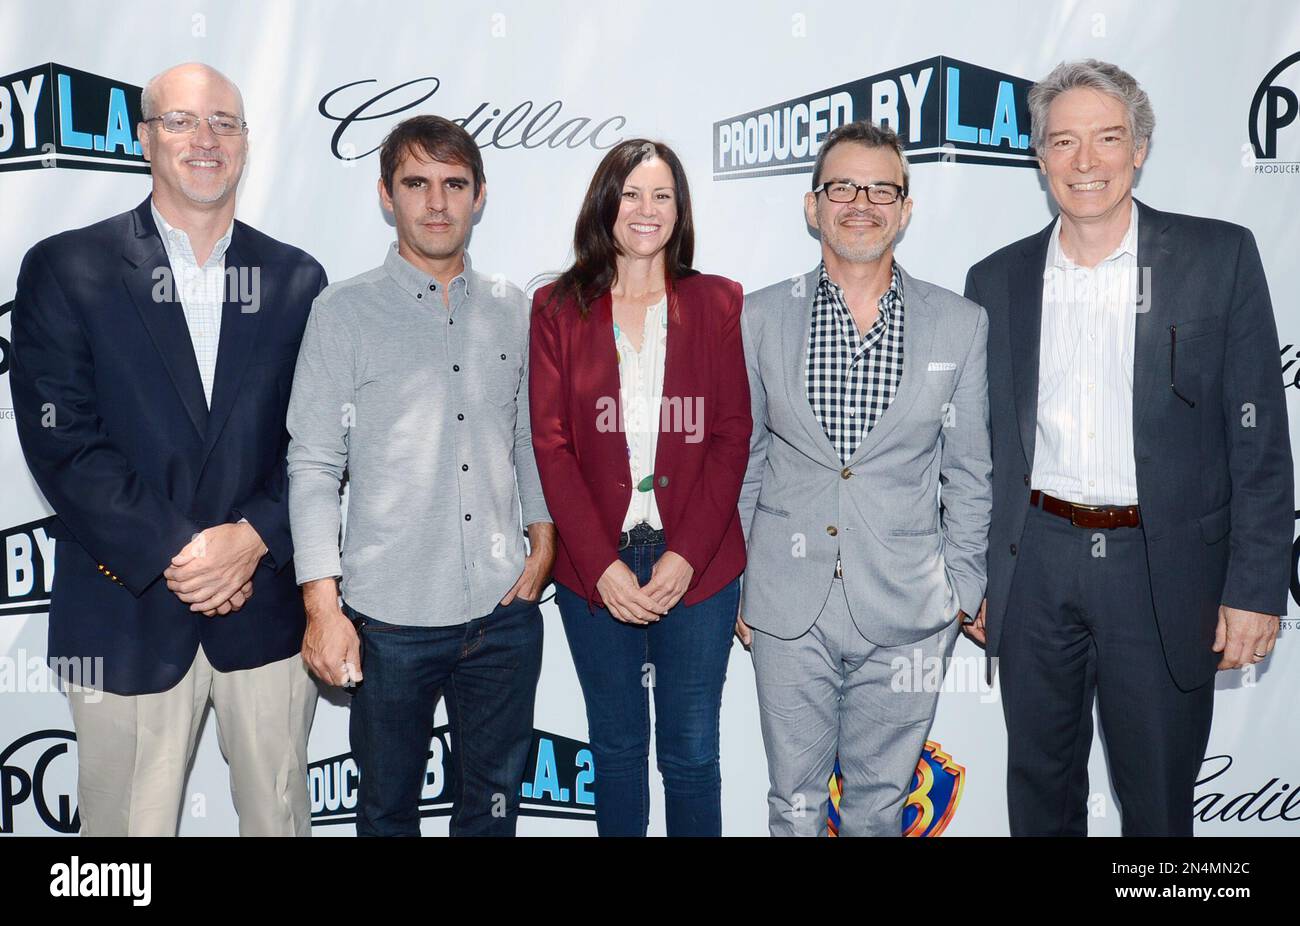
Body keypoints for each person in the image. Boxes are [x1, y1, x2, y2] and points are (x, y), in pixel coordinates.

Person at [963, 59, 1293, 836]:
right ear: (1039, 156)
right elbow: (974, 450)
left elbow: (1260, 439)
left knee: (1157, 806)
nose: (1086, 163)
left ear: (1139, 148)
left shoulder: (1219, 259)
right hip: (1035, 561)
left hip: (1164, 565)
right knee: (1039, 798)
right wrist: (972, 573)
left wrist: (1254, 587)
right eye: (1064, 142)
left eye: (1107, 139)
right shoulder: (996, 279)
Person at [10, 62, 326, 836]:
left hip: (267, 618)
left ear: (246, 143)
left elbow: (320, 442)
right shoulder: (66, 268)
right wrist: (185, 554)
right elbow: (64, 444)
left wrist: (251, 540)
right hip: (127, 613)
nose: (205, 139)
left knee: (280, 822)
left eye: (225, 122)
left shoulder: (295, 278)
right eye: (182, 121)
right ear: (146, 139)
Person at [288, 115, 555, 837]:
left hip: (503, 614)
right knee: (385, 814)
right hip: (389, 622)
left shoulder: (514, 309)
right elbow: (313, 464)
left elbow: (528, 436)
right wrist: (323, 606)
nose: (436, 202)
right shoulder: (342, 313)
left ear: (479, 195)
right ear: (386, 195)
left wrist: (544, 540)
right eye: (416, 183)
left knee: (491, 812)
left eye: (454, 184)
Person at [736, 120, 990, 836]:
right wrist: (741, 585)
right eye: (842, 186)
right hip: (788, 607)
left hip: (910, 610)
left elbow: (971, 472)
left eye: (883, 189)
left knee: (882, 809)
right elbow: (745, 459)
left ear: (906, 210)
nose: (861, 202)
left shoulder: (960, 324)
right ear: (812, 205)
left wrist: (961, 590)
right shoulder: (758, 318)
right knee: (795, 805)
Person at [529, 139, 750, 836]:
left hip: (700, 568)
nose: (645, 210)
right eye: (630, 193)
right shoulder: (557, 308)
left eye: (662, 195)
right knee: (618, 752)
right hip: (596, 571)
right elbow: (552, 446)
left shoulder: (716, 302)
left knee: (690, 755)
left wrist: (684, 557)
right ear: (606, 204)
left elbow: (729, 438)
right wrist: (600, 566)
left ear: (679, 209)